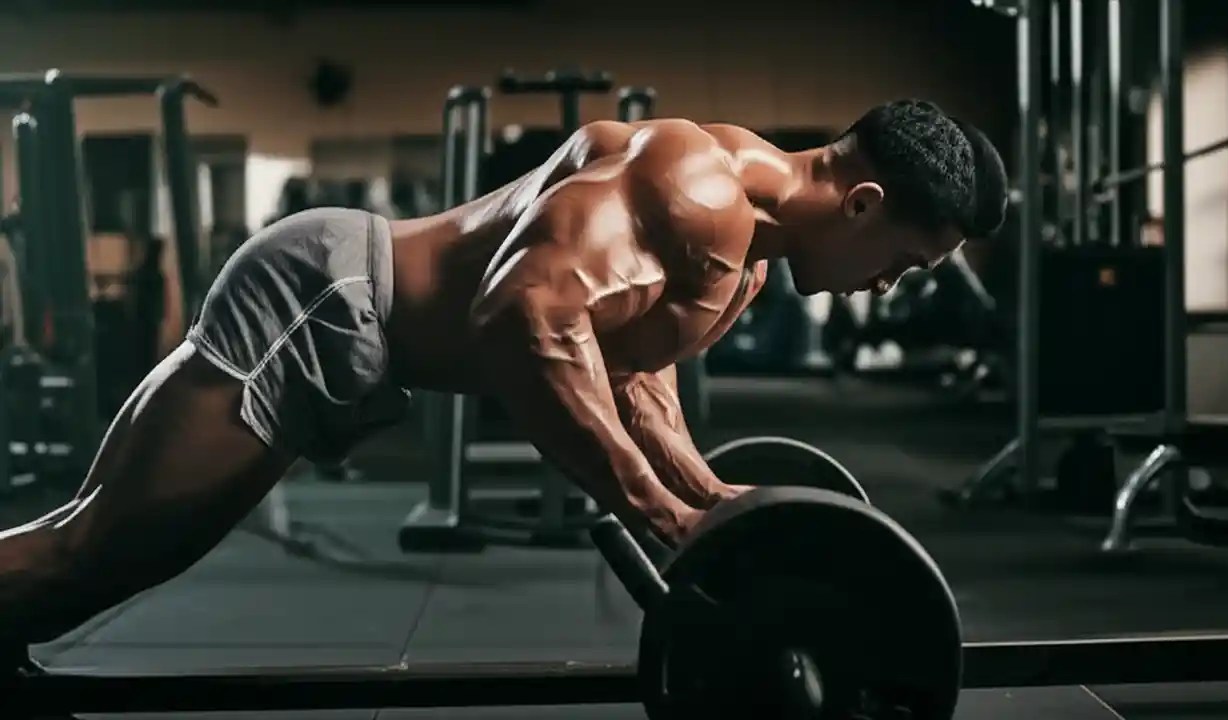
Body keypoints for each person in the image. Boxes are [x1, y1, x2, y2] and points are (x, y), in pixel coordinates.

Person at [0, 99, 1006, 664]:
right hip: (329, 299)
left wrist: (709, 496)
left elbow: (632, 365)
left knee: (110, 545)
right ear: (863, 202)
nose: (883, 289)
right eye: (900, 265)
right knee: (108, 547)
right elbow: (526, 318)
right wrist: (660, 514)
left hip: (354, 317)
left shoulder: (744, 249)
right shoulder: (701, 194)